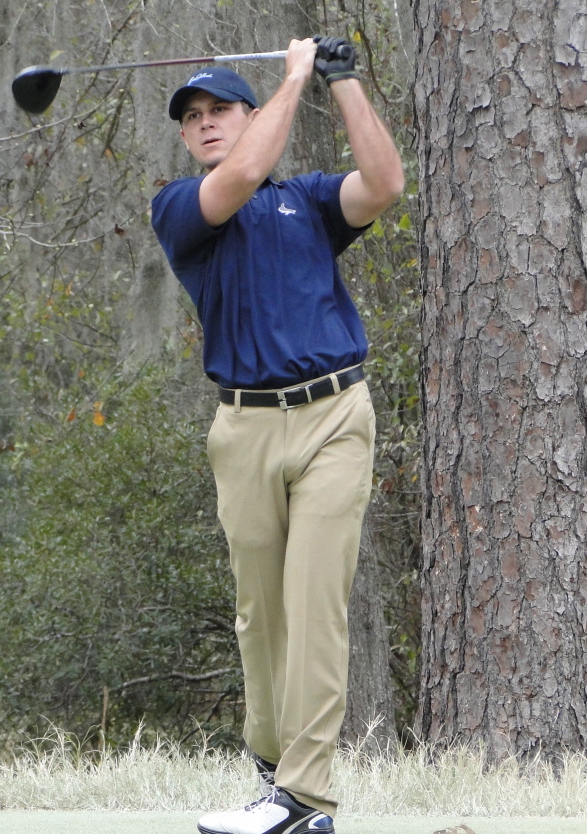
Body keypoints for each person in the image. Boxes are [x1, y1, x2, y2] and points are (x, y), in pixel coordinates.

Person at [150, 35, 405, 834]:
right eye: (193, 117)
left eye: (221, 108)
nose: (206, 123)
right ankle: (273, 775)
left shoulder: (311, 202)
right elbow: (242, 177)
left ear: (251, 114)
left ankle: (305, 800)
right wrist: (295, 77)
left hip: (335, 417)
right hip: (244, 430)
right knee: (262, 617)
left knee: (315, 603)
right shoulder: (181, 209)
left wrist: (342, 79)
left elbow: (386, 183)